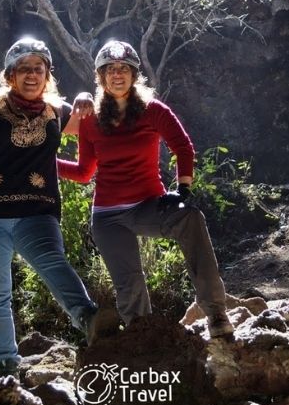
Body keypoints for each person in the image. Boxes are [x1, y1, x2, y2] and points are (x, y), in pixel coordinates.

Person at [0, 37, 117, 376]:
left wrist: (85, 96)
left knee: (54, 262)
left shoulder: (57, 111)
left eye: (38, 68)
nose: (31, 74)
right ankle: (5, 364)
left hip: (37, 213)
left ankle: (90, 320)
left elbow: (96, 120)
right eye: (23, 68)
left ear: (47, 74)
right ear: (10, 75)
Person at [58, 40, 235, 338]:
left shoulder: (153, 111)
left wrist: (183, 188)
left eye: (124, 68)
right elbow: (84, 172)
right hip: (108, 217)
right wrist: (46, 164)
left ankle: (216, 313)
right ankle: (142, 337)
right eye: (110, 69)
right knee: (130, 283)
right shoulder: (90, 121)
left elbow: (183, 146)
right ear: (101, 76)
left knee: (191, 218)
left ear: (134, 74)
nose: (117, 74)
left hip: (148, 207)